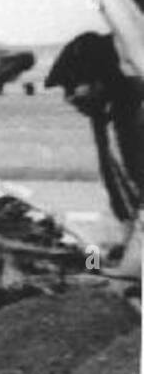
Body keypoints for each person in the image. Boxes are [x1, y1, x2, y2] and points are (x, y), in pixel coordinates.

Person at [44, 32, 144, 281]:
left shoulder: (136, 112)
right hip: (131, 234)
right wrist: (94, 262)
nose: (69, 98)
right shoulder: (104, 114)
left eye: (73, 86)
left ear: (100, 79)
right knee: (90, 257)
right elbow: (122, 197)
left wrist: (130, 264)